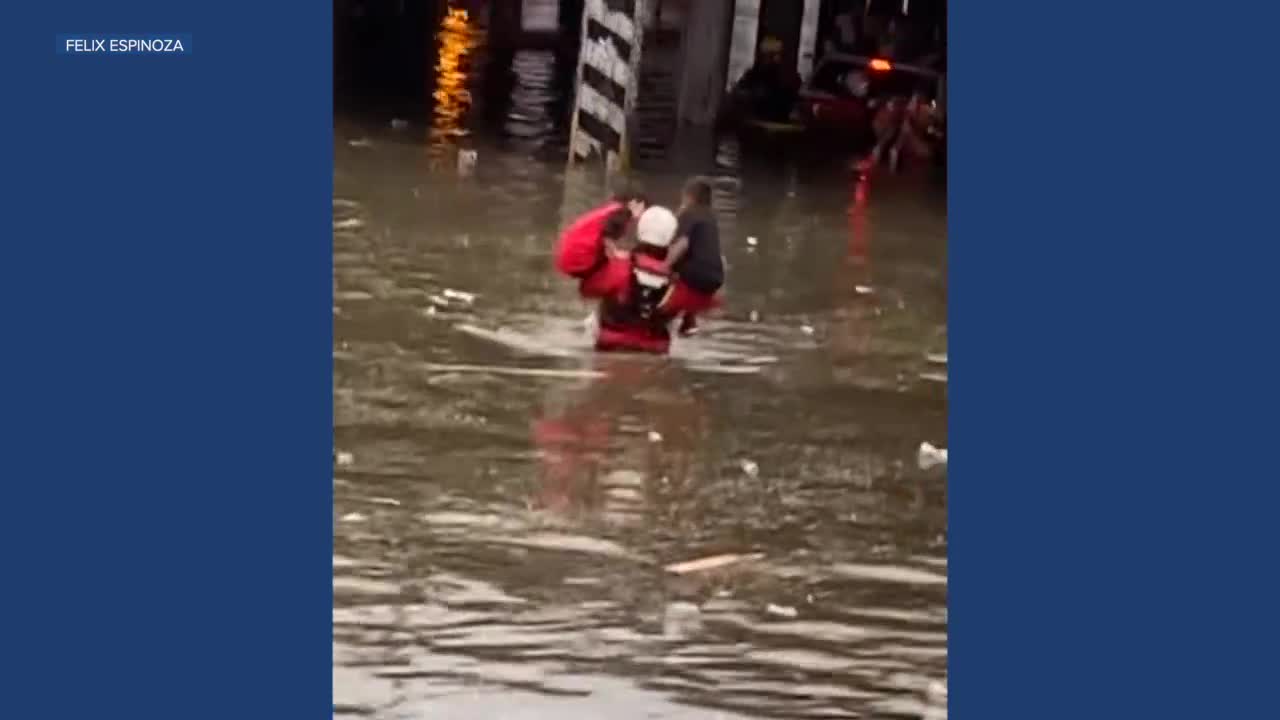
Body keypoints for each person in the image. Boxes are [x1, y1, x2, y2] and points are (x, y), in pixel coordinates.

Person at [573, 206, 701, 354]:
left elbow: (587, 290)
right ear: (671, 238)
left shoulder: (618, 267)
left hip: (611, 348)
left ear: (640, 231)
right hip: (655, 353)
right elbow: (687, 330)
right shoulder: (679, 281)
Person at [662, 178, 724, 337]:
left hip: (694, 276)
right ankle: (689, 322)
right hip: (715, 279)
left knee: (662, 311)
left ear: (689, 197)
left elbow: (682, 243)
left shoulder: (689, 213)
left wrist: (663, 266)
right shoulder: (711, 217)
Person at [554, 187, 648, 280]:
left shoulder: (611, 209)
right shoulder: (622, 212)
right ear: (634, 203)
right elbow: (607, 233)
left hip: (568, 256)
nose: (643, 212)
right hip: (580, 258)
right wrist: (615, 253)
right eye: (643, 208)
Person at [728, 37, 802, 123]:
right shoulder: (754, 74)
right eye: (771, 55)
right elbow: (741, 90)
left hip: (772, 119)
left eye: (777, 55)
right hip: (757, 119)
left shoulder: (785, 76)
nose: (776, 59)